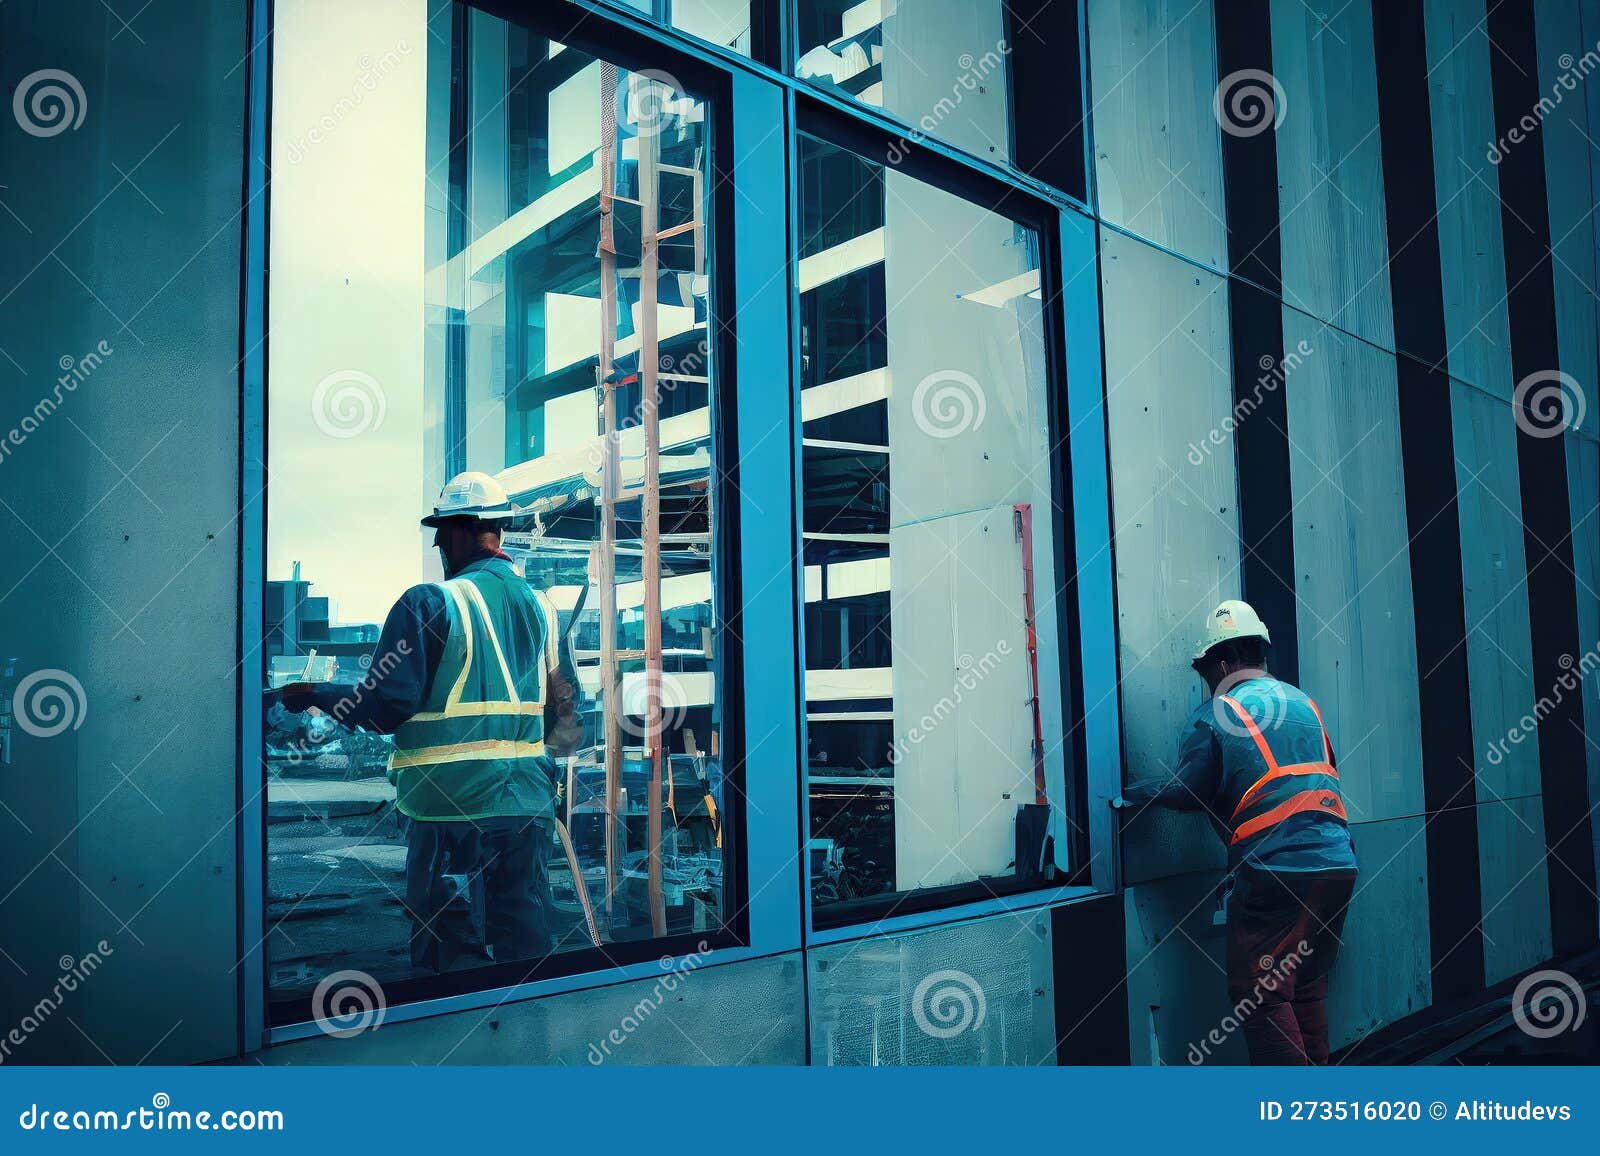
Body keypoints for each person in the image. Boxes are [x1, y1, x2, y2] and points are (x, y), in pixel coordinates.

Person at [279, 471, 582, 973]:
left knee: (449, 961)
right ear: (498, 530)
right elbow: (564, 716)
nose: (440, 547)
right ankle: (529, 1041)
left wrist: (310, 694)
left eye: (440, 535)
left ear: (461, 532)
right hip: (525, 810)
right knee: (524, 950)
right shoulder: (542, 608)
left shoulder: (430, 603)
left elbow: (384, 705)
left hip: (450, 813)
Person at [1118, 599, 1357, 1065]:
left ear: (1223, 662)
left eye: (1207, 672)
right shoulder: (1303, 703)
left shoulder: (1219, 710)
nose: (1207, 684)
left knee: (1259, 992)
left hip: (1277, 865)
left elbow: (1189, 789)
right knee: (1302, 981)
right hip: (1337, 861)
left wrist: (1132, 794)